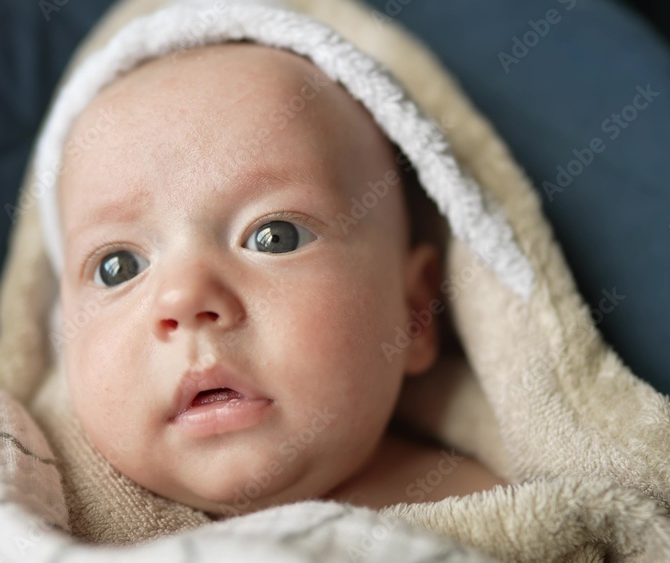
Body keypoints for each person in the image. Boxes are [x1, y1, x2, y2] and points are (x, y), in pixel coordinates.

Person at [51, 42, 507, 518]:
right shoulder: (31, 513)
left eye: (275, 237)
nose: (185, 297)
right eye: (119, 266)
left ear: (414, 314)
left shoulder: (481, 507)